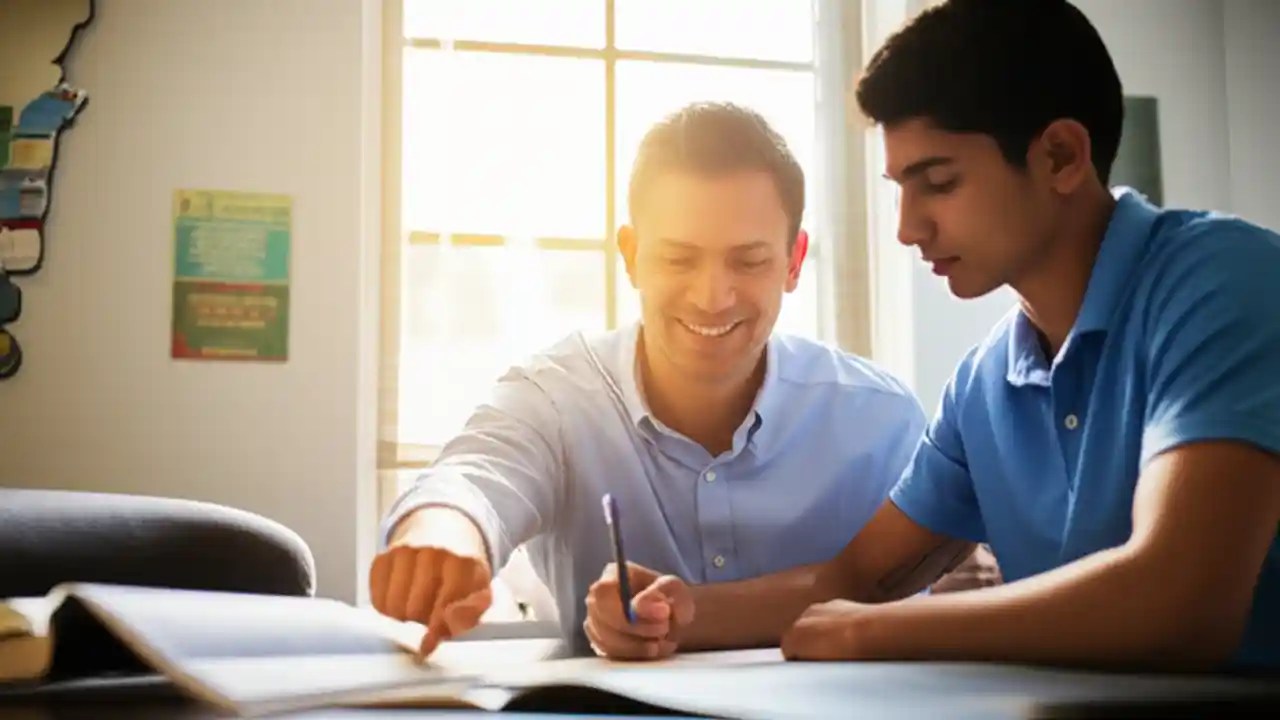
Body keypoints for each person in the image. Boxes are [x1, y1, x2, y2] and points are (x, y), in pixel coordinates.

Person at [584, 0, 1280, 672]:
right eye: (899, 188)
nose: (906, 228)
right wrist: (680, 613)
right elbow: (855, 578)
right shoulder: (985, 383)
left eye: (939, 183)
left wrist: (878, 631)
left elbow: (1183, 600)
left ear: (1061, 156)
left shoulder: (1224, 281)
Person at [369, 101, 945, 658]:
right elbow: (474, 478)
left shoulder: (880, 420)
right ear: (631, 255)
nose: (712, 297)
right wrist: (444, 536)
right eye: (677, 259)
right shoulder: (558, 397)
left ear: (794, 261)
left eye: (748, 261)